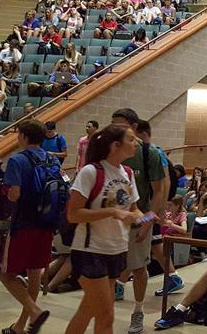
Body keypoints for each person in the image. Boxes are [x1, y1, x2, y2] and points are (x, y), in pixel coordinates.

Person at [64, 124, 146, 334]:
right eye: (131, 139)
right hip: (91, 251)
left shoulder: (127, 172)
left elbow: (134, 209)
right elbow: (73, 214)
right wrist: (112, 213)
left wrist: (150, 219)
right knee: (106, 316)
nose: (136, 142)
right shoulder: (91, 172)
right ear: (115, 145)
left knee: (87, 312)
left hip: (117, 250)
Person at [110, 108, 168, 334]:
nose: (115, 128)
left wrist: (147, 222)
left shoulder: (148, 153)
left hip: (138, 218)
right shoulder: (110, 149)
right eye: (113, 123)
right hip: (112, 221)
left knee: (138, 267)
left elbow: (159, 192)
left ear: (134, 127)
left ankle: (138, 311)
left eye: (120, 124)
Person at [0, 120, 56, 334]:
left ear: (23, 136)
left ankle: (34, 312)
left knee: (7, 275)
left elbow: (15, 194)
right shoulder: (51, 159)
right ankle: (20, 327)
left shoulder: (17, 160)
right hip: (46, 223)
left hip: (23, 223)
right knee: (34, 274)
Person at [152, 196, 188, 296]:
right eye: (167, 204)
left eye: (171, 205)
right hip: (161, 237)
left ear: (177, 206)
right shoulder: (167, 214)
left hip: (170, 240)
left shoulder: (182, 215)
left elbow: (184, 230)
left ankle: (174, 278)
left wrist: (171, 224)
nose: (168, 207)